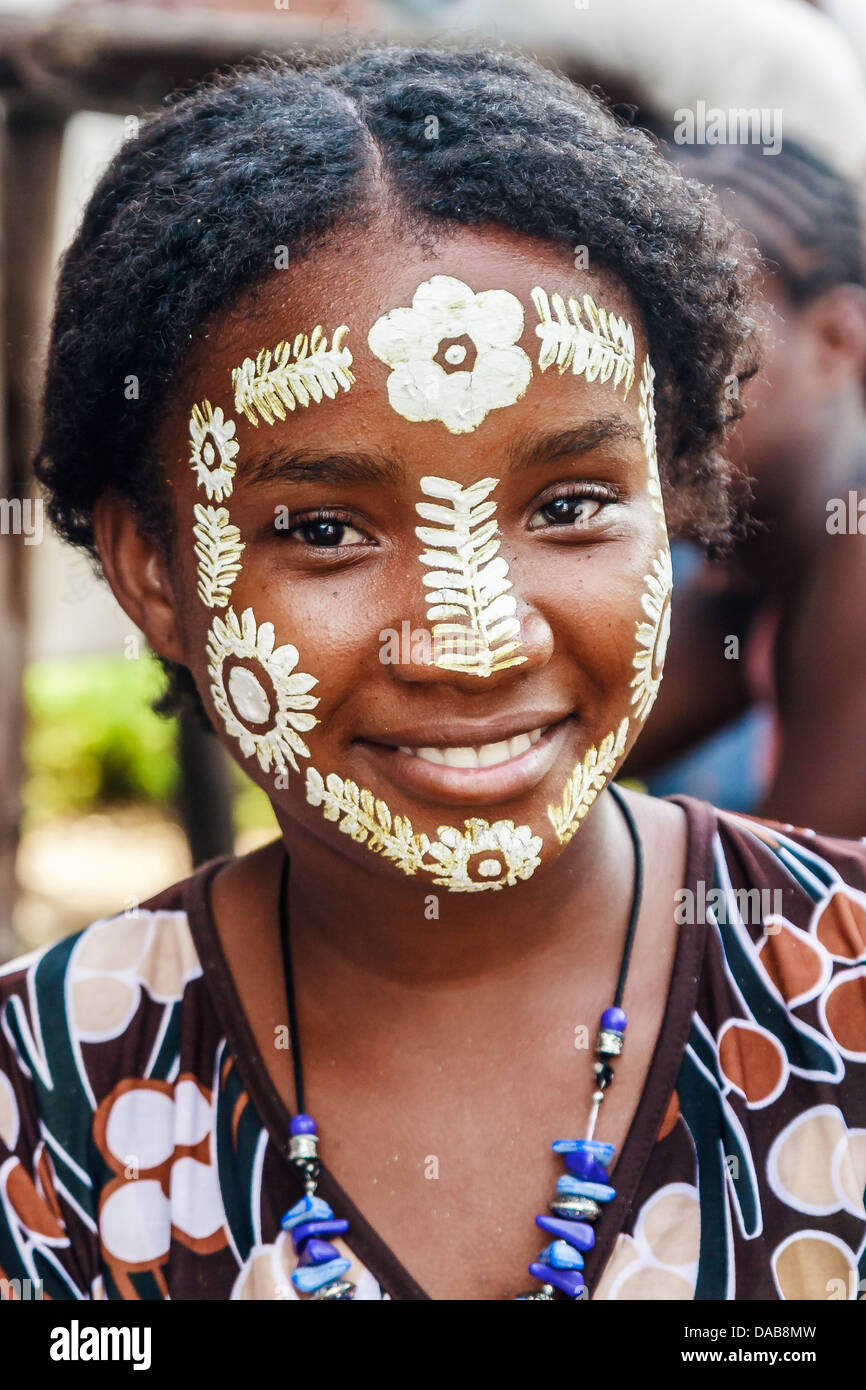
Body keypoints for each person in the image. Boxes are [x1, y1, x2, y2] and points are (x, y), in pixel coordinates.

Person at [1, 43, 864, 1303]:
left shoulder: (837, 989)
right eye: (323, 528)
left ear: (668, 498)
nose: (474, 641)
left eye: (569, 502)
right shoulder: (42, 1095)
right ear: (153, 575)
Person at [626, 139, 866, 835]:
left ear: (835, 342)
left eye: (692, 346)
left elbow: (804, 908)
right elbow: (554, 756)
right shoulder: (755, 576)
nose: (640, 392)